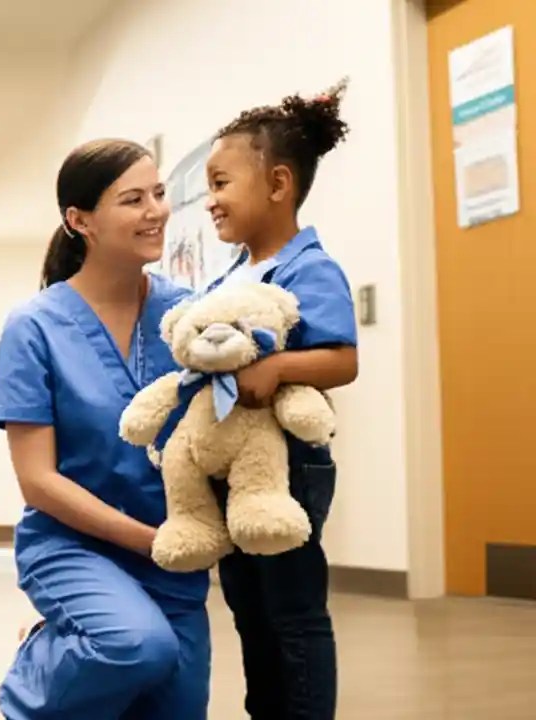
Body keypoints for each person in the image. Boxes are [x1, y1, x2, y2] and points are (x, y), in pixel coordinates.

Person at [0, 139, 211, 719]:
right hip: (73, 547)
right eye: (133, 199)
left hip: (173, 558)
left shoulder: (188, 315)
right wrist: (146, 539)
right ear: (79, 220)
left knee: (174, 706)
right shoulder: (34, 326)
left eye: (159, 194)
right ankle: (32, 685)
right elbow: (37, 482)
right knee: (137, 645)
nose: (156, 211)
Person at [202, 79, 359, 719]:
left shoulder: (307, 268)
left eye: (220, 183)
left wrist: (281, 366)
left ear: (277, 184)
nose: (209, 201)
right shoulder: (231, 273)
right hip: (237, 472)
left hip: (290, 469)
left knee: (293, 609)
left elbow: (343, 359)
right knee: (248, 605)